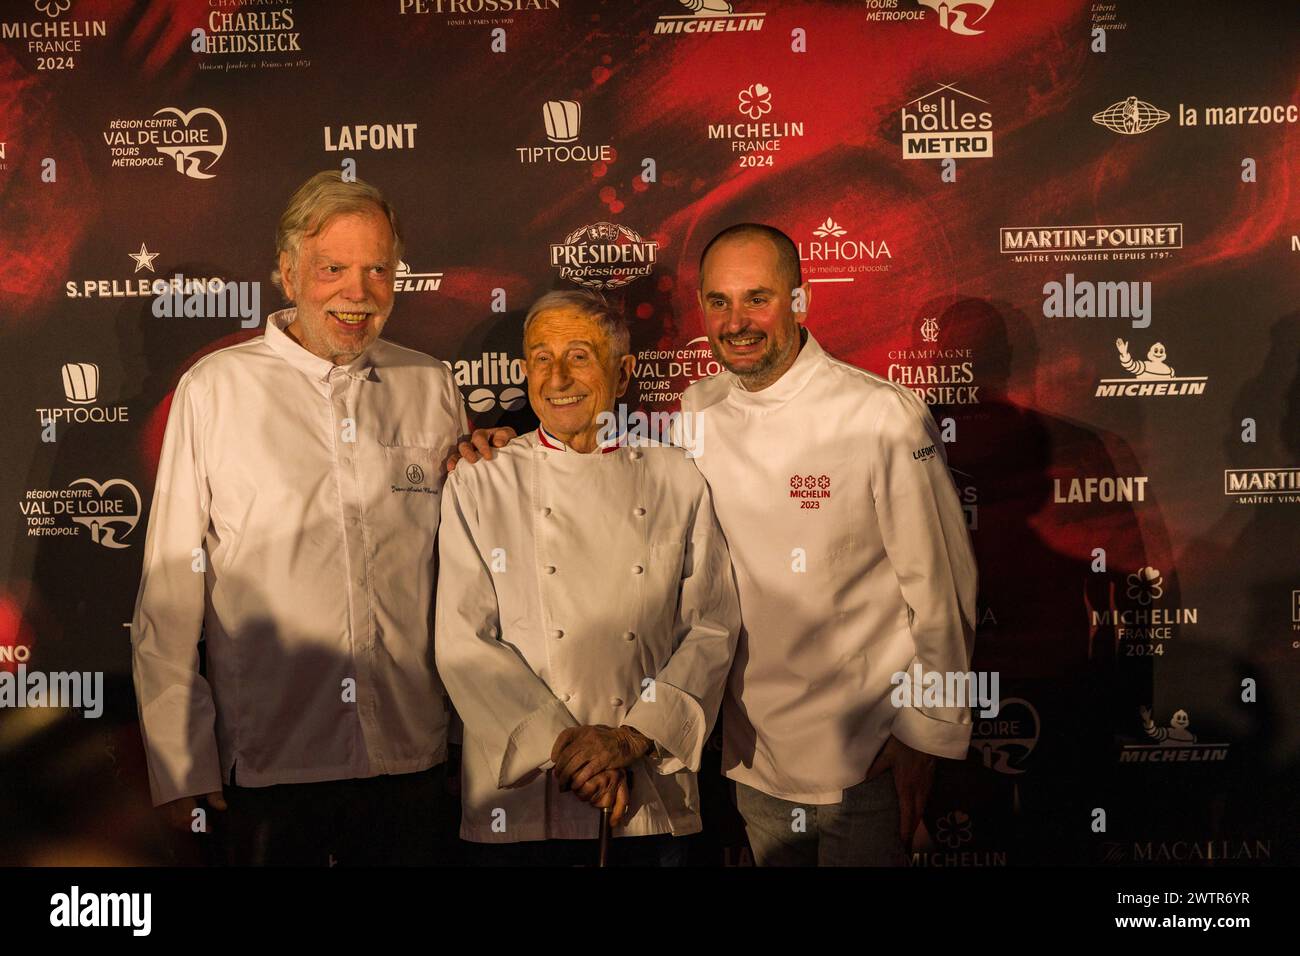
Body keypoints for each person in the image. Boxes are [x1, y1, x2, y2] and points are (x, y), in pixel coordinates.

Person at [130, 170, 509, 865]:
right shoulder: (216, 390)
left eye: (377, 270)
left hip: (411, 754)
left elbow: (469, 564)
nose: (357, 293)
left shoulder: (430, 384)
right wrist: (179, 760)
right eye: (332, 268)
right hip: (272, 764)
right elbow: (169, 591)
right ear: (286, 272)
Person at [681, 223, 978, 866]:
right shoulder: (694, 411)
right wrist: (507, 454)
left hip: (867, 758)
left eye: (757, 298)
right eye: (718, 301)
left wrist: (925, 736)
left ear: (800, 301)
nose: (736, 322)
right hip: (753, 755)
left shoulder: (880, 415)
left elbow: (942, 587)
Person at [434, 289, 740, 866]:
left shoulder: (678, 477)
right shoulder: (479, 482)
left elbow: (713, 626)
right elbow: (464, 639)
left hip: (648, 783)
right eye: (541, 358)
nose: (557, 377)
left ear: (623, 374)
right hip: (523, 794)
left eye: (579, 355)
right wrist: (568, 749)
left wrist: (629, 740)